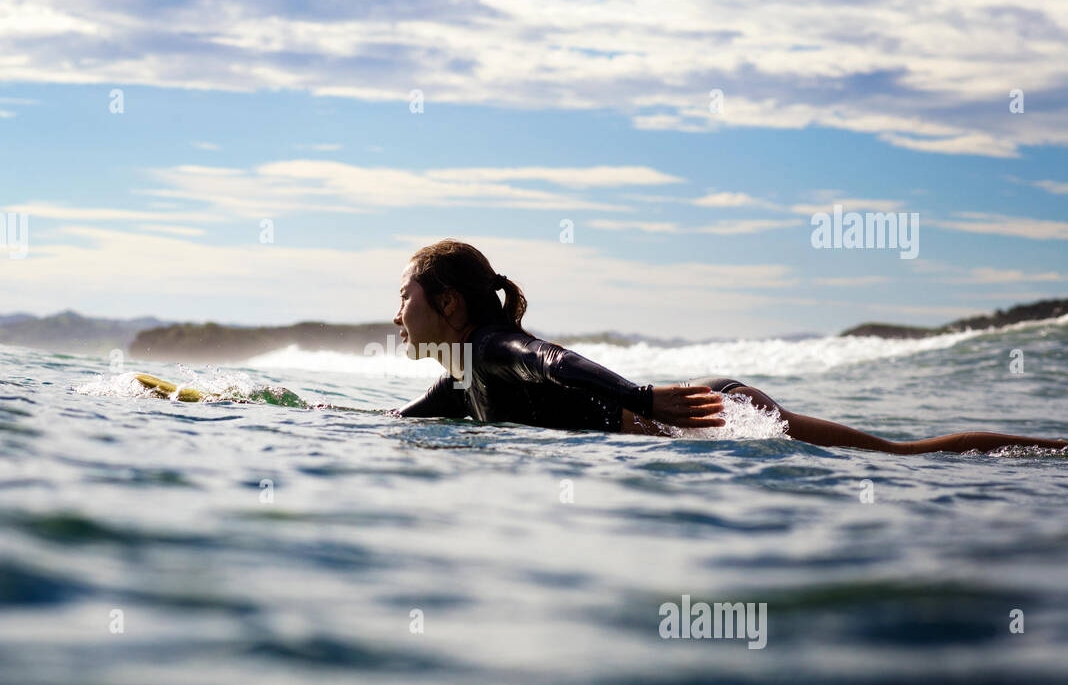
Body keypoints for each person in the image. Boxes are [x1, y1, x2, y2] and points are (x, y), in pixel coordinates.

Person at [391, 240, 1068, 455]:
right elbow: (404, 419)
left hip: (713, 414)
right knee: (903, 457)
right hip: (692, 425)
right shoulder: (461, 374)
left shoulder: (491, 344)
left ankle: (1054, 451)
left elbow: (554, 361)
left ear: (449, 303)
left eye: (405, 298)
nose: (396, 316)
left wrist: (641, 396)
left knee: (904, 457)